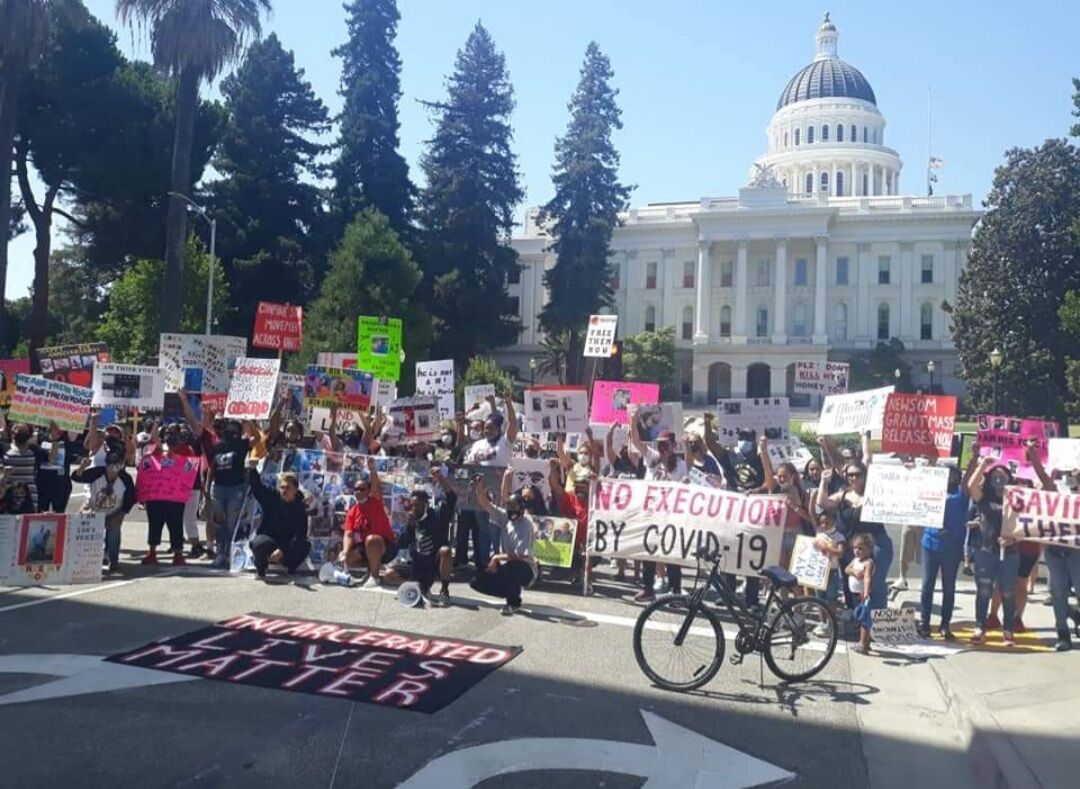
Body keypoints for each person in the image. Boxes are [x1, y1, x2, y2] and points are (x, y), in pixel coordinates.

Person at [818, 432, 892, 610]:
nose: (853, 478)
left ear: (865, 475)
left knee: (876, 582)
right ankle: (856, 617)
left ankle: (878, 618)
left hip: (877, 543)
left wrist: (864, 436)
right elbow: (823, 503)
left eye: (858, 474)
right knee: (852, 582)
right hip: (852, 545)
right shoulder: (843, 494)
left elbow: (867, 458)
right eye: (850, 475)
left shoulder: (873, 491)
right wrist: (823, 482)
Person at [918, 452, 979, 640]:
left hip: (951, 548)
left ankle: (945, 625)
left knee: (949, 587)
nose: (948, 477)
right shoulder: (931, 492)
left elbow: (969, 476)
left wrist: (974, 458)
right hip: (930, 544)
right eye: (945, 474)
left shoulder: (961, 495)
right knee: (927, 586)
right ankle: (925, 623)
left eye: (952, 474)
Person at [965, 455, 1023, 645]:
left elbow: (1026, 526)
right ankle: (980, 627)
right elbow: (971, 487)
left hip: (1010, 553)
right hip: (986, 551)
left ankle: (1007, 630)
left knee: (1007, 591)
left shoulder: (1017, 499)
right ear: (989, 480)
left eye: (1003, 478)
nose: (999, 481)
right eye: (995, 478)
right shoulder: (984, 497)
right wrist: (982, 464)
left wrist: (1012, 538)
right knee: (983, 591)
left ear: (1009, 480)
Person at [385, 467, 457, 605]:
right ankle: (417, 586)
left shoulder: (437, 515)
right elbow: (402, 544)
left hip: (433, 564)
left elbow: (452, 497)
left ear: (426, 504)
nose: (413, 509)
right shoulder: (412, 520)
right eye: (411, 505)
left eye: (417, 505)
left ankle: (444, 590)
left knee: (446, 551)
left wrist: (440, 477)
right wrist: (409, 525)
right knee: (389, 575)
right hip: (417, 565)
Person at [135, 423, 200, 566]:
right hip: (156, 495)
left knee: (175, 524)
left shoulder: (186, 450)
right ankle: (152, 552)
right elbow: (148, 461)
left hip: (175, 496)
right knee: (154, 524)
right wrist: (156, 424)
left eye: (175, 433)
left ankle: (178, 554)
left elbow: (190, 468)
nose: (171, 435)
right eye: (169, 432)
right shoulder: (156, 449)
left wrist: (175, 456)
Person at [472, 488, 537, 615]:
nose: (511, 509)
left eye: (514, 506)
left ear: (522, 509)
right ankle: (507, 590)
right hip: (506, 565)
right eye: (509, 506)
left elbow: (521, 555)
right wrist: (479, 486)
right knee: (476, 581)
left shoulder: (526, 525)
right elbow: (485, 504)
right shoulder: (505, 517)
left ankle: (513, 603)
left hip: (525, 569)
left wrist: (496, 558)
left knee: (512, 567)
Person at [72, 452, 137, 573]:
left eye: (116, 467)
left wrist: (121, 513)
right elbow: (77, 477)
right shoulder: (97, 473)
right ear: (105, 465)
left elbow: (131, 498)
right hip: (93, 509)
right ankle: (83, 560)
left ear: (121, 466)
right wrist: (82, 467)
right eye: (109, 466)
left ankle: (113, 560)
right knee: (85, 531)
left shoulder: (125, 478)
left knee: (114, 531)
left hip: (114, 511)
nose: (112, 470)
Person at [245, 460, 311, 578]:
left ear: (295, 490)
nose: (284, 491)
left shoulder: (300, 508)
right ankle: (261, 568)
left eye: (288, 488)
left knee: (305, 545)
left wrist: (283, 550)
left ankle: (290, 567)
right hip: (269, 539)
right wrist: (252, 469)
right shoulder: (272, 497)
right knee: (258, 543)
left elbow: (301, 534)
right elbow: (257, 488)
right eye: (282, 487)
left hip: (287, 543)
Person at [340, 456, 397, 587]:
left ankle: (375, 577)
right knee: (346, 557)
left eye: (363, 489)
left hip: (385, 546)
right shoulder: (352, 511)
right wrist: (345, 552)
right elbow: (348, 535)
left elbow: (376, 486)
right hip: (365, 548)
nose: (359, 492)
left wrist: (372, 470)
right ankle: (372, 569)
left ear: (368, 491)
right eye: (357, 489)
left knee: (372, 540)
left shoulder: (375, 502)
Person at [847, 533, 875, 654]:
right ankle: (866, 641)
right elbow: (846, 569)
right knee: (859, 617)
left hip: (862, 594)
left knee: (864, 619)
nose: (857, 551)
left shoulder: (868, 562)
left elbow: (867, 577)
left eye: (861, 548)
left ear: (869, 549)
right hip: (855, 593)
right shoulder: (856, 560)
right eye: (855, 548)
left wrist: (866, 591)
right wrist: (853, 571)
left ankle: (863, 644)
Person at [2, 422, 40, 511]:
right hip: (8, 493)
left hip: (29, 494)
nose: (21, 432)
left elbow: (51, 459)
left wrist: (55, 439)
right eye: (18, 430)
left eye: (24, 431)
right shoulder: (4, 448)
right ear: (12, 433)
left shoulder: (34, 449)